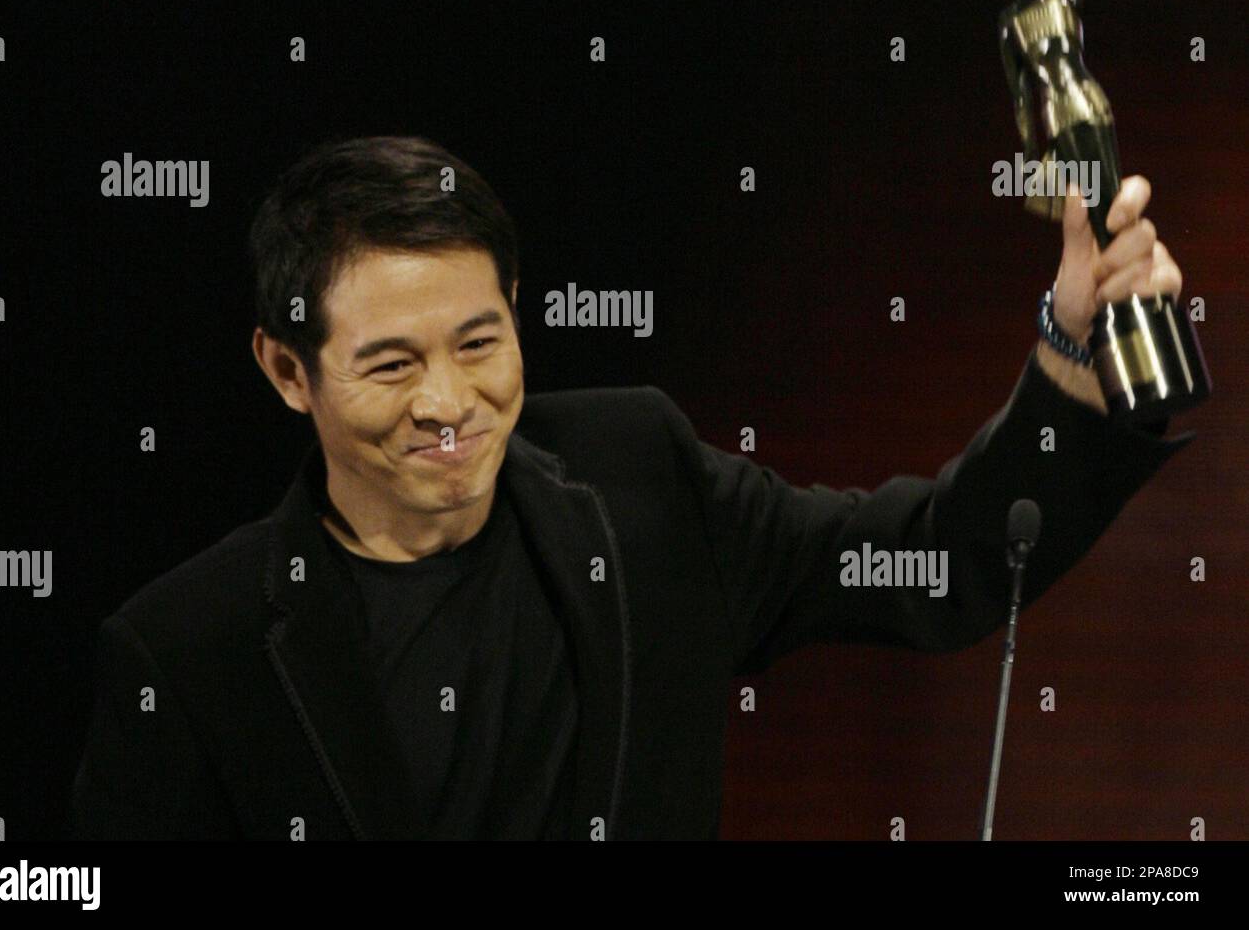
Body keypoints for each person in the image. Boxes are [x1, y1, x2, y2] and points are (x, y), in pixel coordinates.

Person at [66, 135, 1195, 840]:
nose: (450, 402)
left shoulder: (635, 474)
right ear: (286, 371)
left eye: (480, 340)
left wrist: (1065, 358)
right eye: (392, 365)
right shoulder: (188, 650)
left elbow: (936, 566)